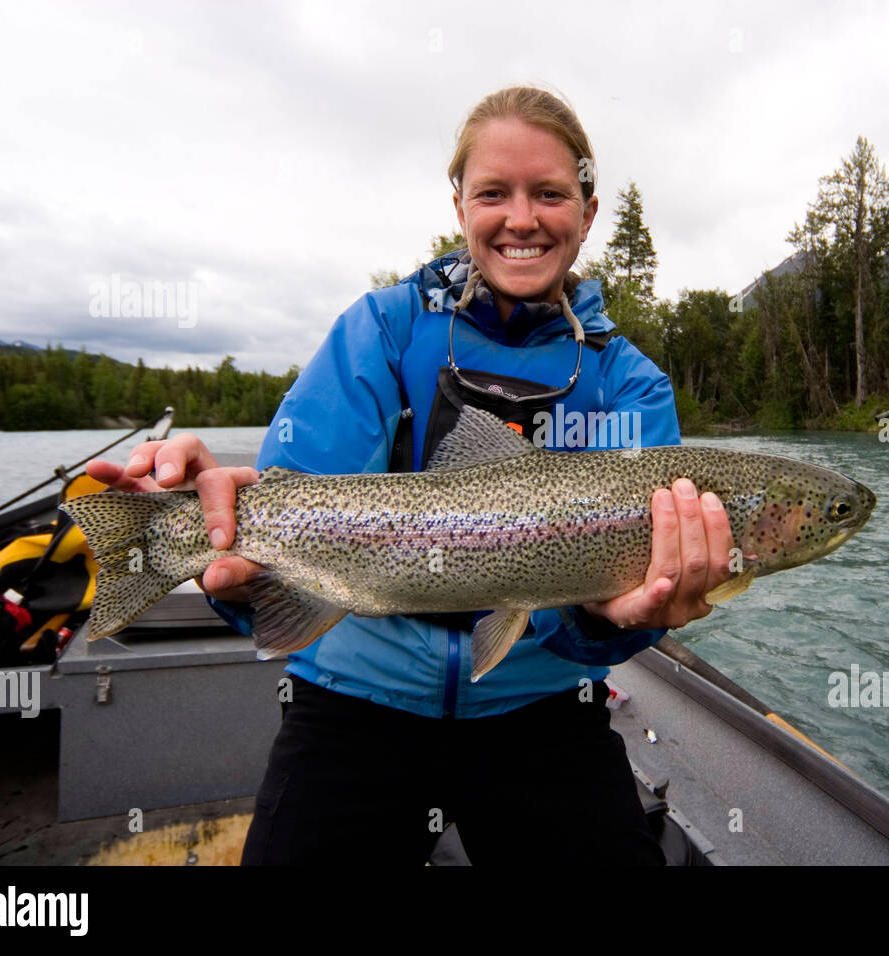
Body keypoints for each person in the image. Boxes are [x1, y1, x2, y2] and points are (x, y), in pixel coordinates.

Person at [86, 86, 733, 865]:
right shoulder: (382, 330)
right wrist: (219, 555)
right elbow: (291, 506)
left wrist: (609, 618)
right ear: (460, 204)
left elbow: (614, 614)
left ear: (587, 212)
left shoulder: (629, 382)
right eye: (493, 192)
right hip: (352, 702)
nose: (521, 218)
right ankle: (143, 547)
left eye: (550, 194)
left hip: (541, 704)